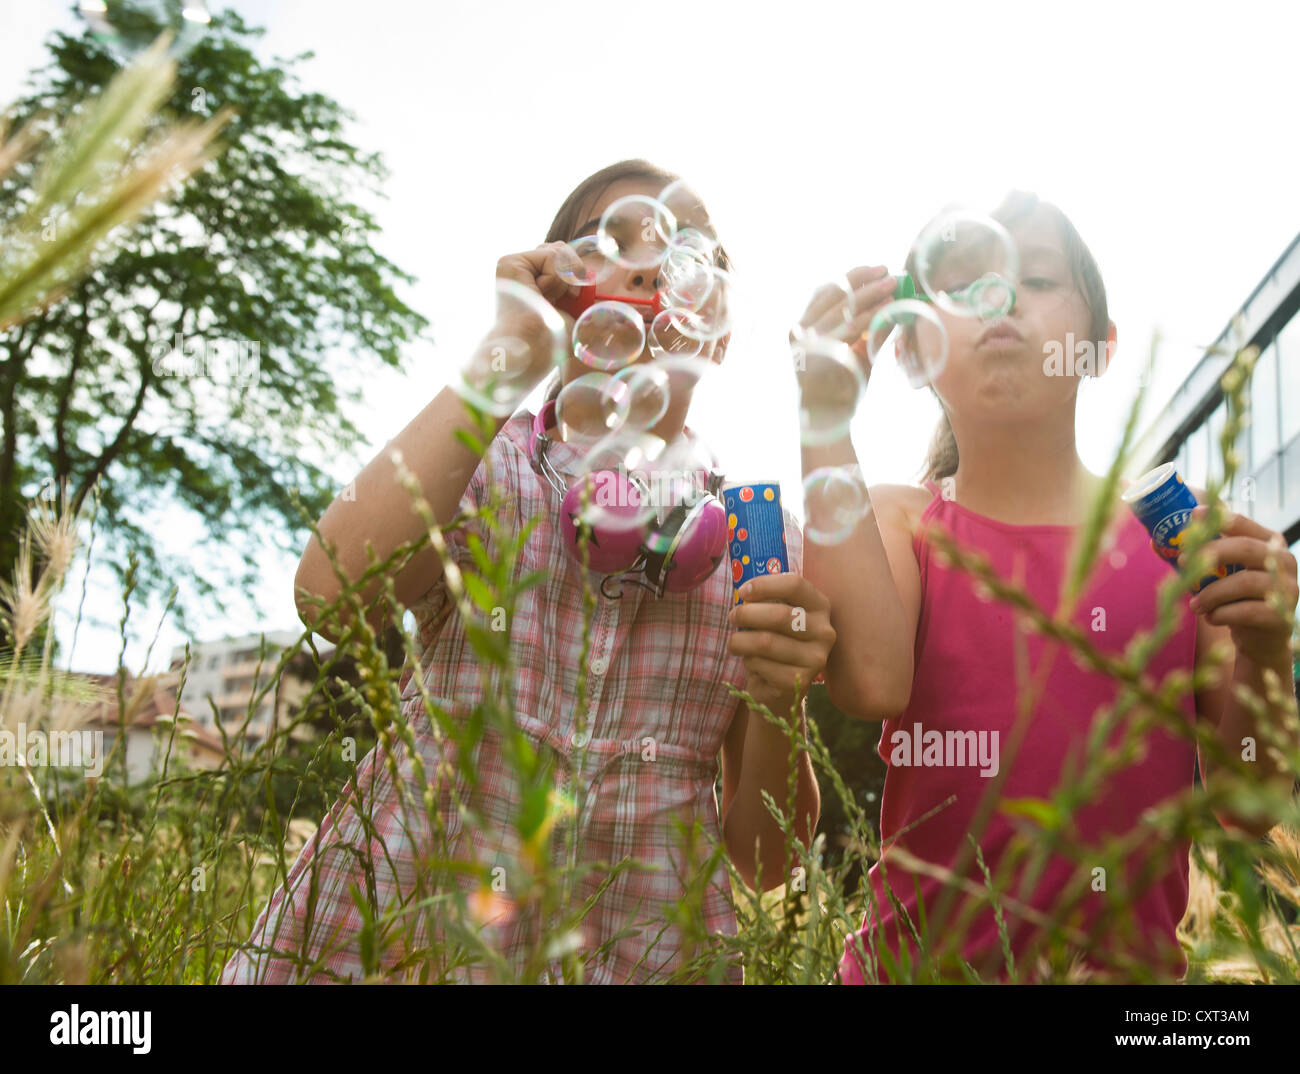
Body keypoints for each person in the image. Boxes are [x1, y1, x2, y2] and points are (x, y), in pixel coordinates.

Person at [219, 159, 834, 984]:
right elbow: (330, 595)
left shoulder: (758, 537)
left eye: (691, 254)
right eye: (615, 241)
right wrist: (506, 354)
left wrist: (781, 696)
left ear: (716, 330)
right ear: (564, 288)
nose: (652, 263)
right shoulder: (478, 466)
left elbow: (766, 861)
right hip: (404, 935)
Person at [797, 191, 1299, 982]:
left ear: (1099, 346)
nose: (1001, 304)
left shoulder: (1184, 539)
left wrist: (1268, 650)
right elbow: (869, 682)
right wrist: (824, 419)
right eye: (964, 289)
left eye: (1036, 280)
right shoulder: (902, 520)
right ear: (914, 351)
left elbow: (1247, 803)